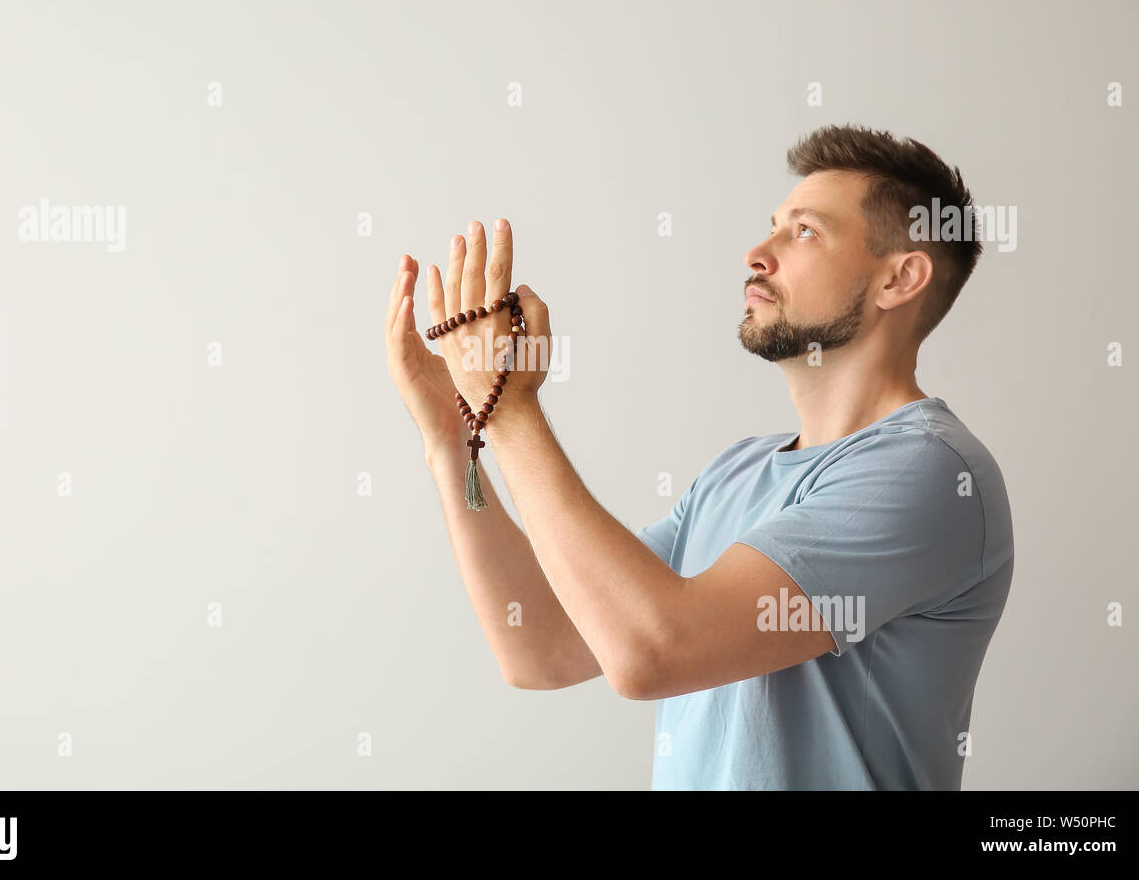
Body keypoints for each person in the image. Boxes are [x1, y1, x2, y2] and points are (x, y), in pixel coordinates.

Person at [383, 123, 1014, 790]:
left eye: (804, 231)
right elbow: (539, 646)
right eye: (773, 225)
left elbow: (652, 653)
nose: (757, 253)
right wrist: (456, 439)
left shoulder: (933, 474)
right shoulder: (735, 473)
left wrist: (509, 410)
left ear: (900, 279)